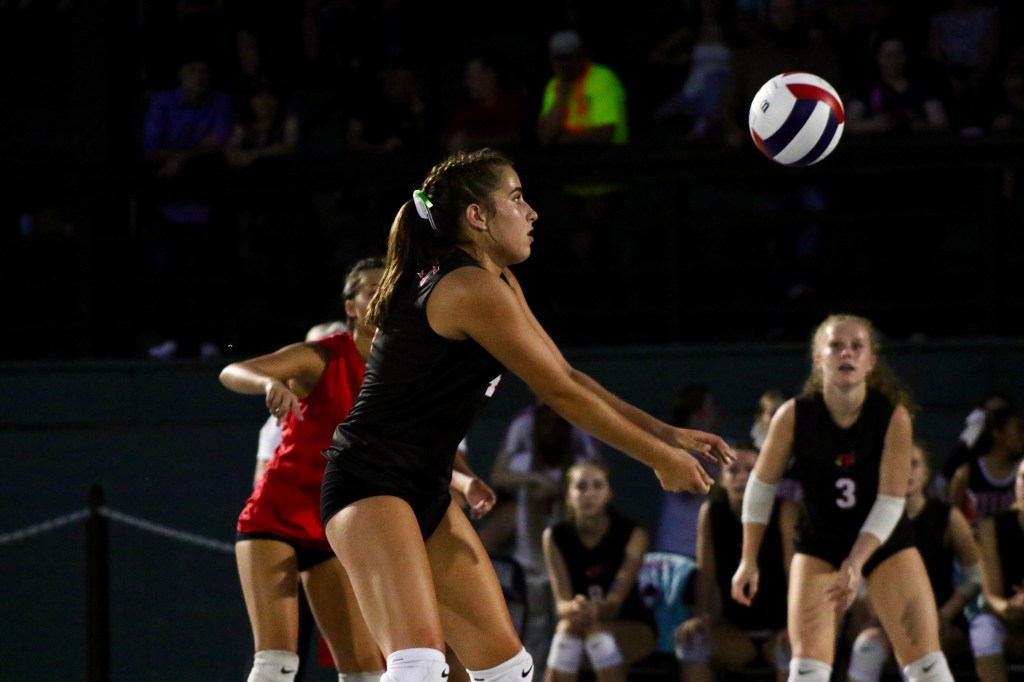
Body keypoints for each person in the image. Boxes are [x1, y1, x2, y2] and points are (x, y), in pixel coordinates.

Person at [318, 147, 733, 682]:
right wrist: (657, 457)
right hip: (370, 482)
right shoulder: (467, 286)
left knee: (508, 668)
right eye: (516, 198)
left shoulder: (495, 280)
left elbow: (569, 376)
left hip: (424, 487)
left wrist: (666, 433)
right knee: (417, 666)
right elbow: (559, 393)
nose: (532, 212)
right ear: (477, 217)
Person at [221, 256, 498, 682]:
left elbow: (421, 446)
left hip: (338, 523)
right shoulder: (323, 356)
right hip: (277, 516)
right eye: (372, 290)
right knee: (276, 663)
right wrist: (268, 382)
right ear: (351, 307)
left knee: (365, 669)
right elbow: (233, 370)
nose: (384, 297)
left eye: (393, 289)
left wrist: (467, 480)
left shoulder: (408, 368)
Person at [731, 313, 956, 681]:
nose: (846, 353)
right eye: (835, 345)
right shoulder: (793, 415)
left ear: (870, 360)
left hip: (883, 541)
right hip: (820, 541)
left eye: (856, 346)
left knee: (926, 663)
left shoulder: (892, 416)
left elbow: (891, 501)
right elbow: (761, 487)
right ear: (817, 358)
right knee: (807, 667)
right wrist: (748, 559)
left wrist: (856, 561)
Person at [845, 440, 997, 681]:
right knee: (867, 648)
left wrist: (944, 614)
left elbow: (976, 574)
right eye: (898, 463)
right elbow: (854, 570)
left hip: (940, 618)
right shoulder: (871, 520)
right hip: (886, 619)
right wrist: (872, 606)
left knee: (919, 655)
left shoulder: (947, 517)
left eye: (913, 464)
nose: (905, 470)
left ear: (926, 474)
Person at [482, 400, 603, 678]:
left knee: (566, 633)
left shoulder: (577, 463)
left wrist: (562, 488)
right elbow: (499, 476)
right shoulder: (524, 461)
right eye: (545, 425)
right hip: (530, 560)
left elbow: (597, 472)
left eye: (557, 425)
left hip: (568, 562)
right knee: (533, 630)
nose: (551, 431)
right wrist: (533, 480)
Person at [674, 440, 793, 682]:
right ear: (722, 478)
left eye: (750, 470)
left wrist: (795, 626)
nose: (742, 477)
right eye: (733, 471)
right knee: (692, 640)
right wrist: (703, 616)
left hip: (781, 627)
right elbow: (706, 574)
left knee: (788, 652)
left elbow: (795, 574)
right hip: (734, 632)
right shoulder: (711, 513)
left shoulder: (784, 510)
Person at [541, 459, 656, 682]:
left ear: (609, 493)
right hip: (577, 624)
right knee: (566, 629)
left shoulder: (633, 534)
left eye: (597, 486)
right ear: (568, 496)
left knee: (597, 635)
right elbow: (562, 604)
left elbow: (614, 605)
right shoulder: (554, 536)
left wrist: (591, 611)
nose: (589, 494)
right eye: (581, 487)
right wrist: (575, 607)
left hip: (632, 626)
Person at [655, 385, 720, 559]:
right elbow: (692, 486)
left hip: (712, 547)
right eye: (709, 409)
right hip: (677, 547)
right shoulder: (672, 447)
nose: (716, 412)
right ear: (696, 414)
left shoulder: (725, 446)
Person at [844, 32, 951, 136]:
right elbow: (849, 125)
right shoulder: (867, 90)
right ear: (878, 57)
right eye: (887, 56)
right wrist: (872, 125)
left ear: (905, 56)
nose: (892, 61)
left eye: (897, 55)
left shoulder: (922, 89)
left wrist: (917, 125)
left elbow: (941, 124)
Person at [976, 457, 1024, 680]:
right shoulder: (992, 525)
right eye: (1022, 477)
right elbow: (991, 594)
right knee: (983, 629)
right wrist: (1008, 608)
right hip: (1008, 616)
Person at [948, 405, 1024, 528]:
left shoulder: (1021, 474)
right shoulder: (967, 472)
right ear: (997, 434)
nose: (1022, 435)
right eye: (1019, 429)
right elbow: (952, 518)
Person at [442, 52, 530, 154]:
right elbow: (448, 137)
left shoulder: (512, 105)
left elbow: (514, 137)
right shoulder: (464, 111)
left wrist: (472, 143)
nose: (468, 83)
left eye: (472, 78)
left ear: (490, 77)